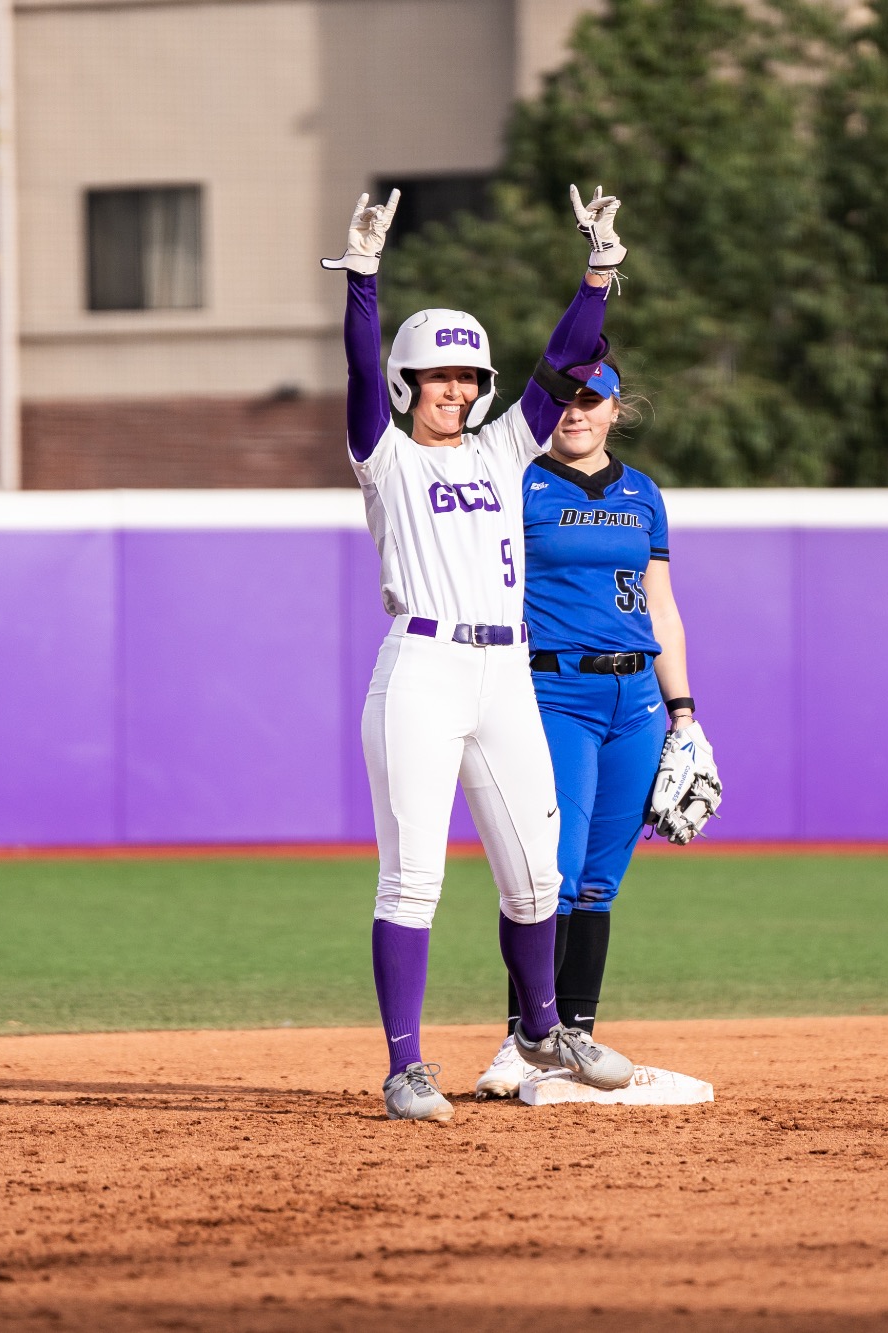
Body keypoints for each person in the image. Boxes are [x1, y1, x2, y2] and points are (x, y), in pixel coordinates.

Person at [324, 184, 639, 1122]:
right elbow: (353, 372)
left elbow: (564, 358)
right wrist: (365, 282)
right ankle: (406, 1066)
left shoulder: (507, 447)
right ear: (407, 385)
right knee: (413, 876)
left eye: (464, 376)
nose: (453, 389)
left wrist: (598, 271)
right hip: (421, 668)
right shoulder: (385, 455)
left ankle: (544, 1028)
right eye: (435, 377)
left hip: (505, 672)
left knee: (539, 873)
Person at [472, 355, 716, 1098]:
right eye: (564, 399)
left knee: (600, 882)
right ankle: (523, 1041)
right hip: (553, 692)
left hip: (635, 698)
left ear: (616, 408)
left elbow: (661, 605)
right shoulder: (518, 482)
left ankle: (572, 1036)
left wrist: (684, 715)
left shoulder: (642, 493)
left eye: (591, 399)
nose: (575, 411)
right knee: (551, 872)